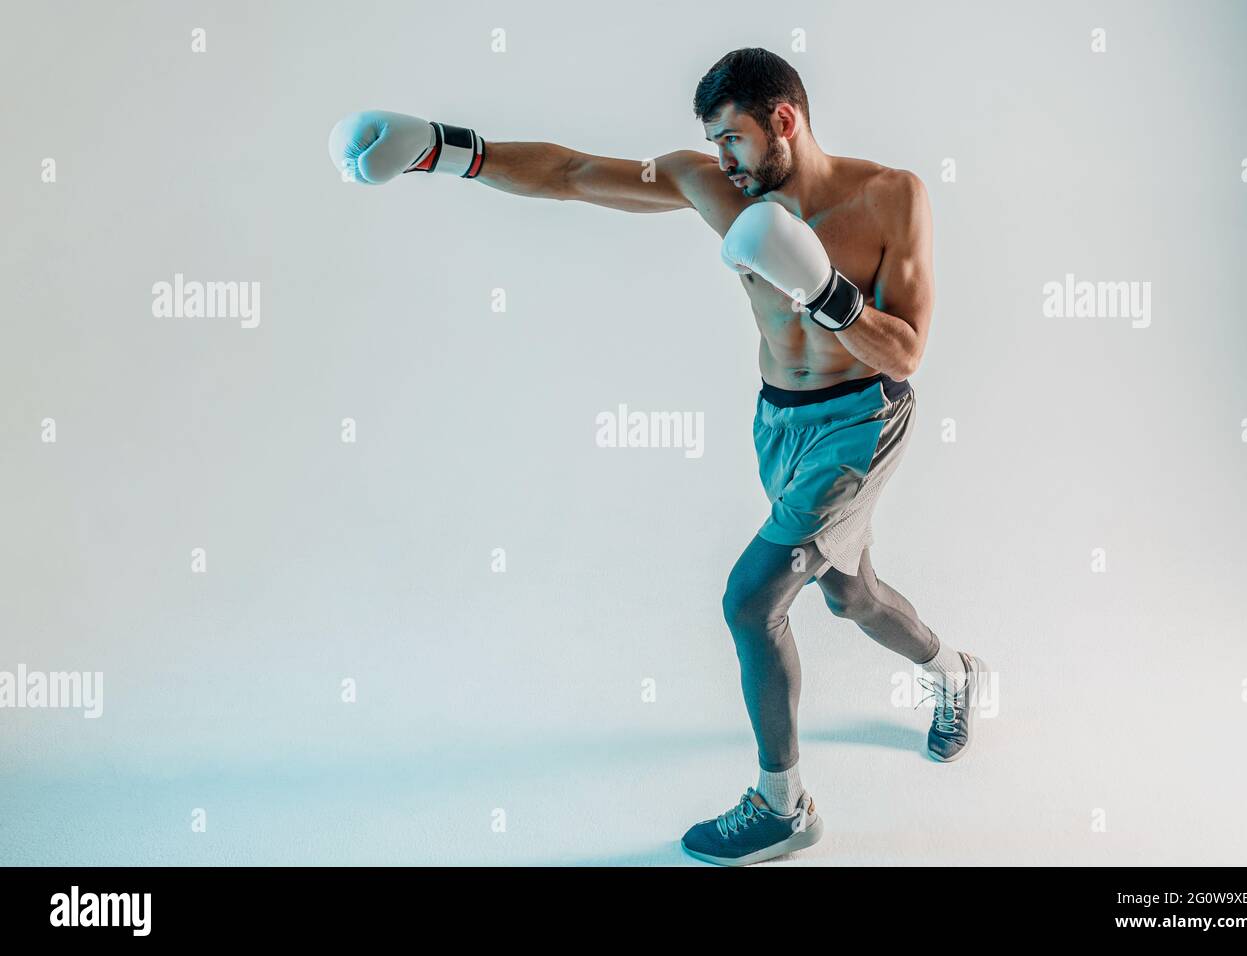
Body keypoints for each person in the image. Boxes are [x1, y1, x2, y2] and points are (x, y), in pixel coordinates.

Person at [328, 46, 988, 867]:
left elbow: (906, 352)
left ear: (784, 120)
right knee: (850, 596)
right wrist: (443, 149)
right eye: (711, 143)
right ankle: (954, 669)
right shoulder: (713, 186)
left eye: (733, 140)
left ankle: (782, 807)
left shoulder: (892, 196)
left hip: (863, 422)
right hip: (780, 423)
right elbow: (571, 172)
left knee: (753, 601)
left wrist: (822, 292)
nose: (722, 162)